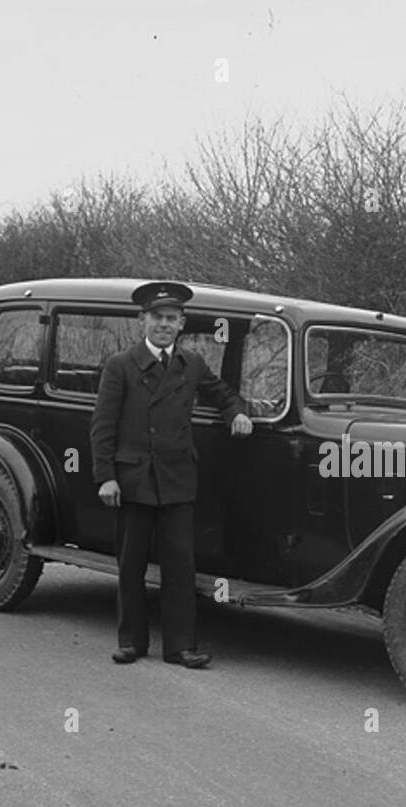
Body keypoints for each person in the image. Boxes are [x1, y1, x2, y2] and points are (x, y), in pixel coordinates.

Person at [90, 281, 252, 666]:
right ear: (142, 320)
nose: (164, 325)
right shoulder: (120, 366)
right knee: (131, 564)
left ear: (181, 324)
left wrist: (237, 413)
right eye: (157, 318)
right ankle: (131, 641)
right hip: (133, 479)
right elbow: (102, 425)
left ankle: (181, 647)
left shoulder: (191, 364)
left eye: (171, 319)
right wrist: (105, 476)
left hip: (177, 479)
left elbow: (223, 393)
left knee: (180, 566)